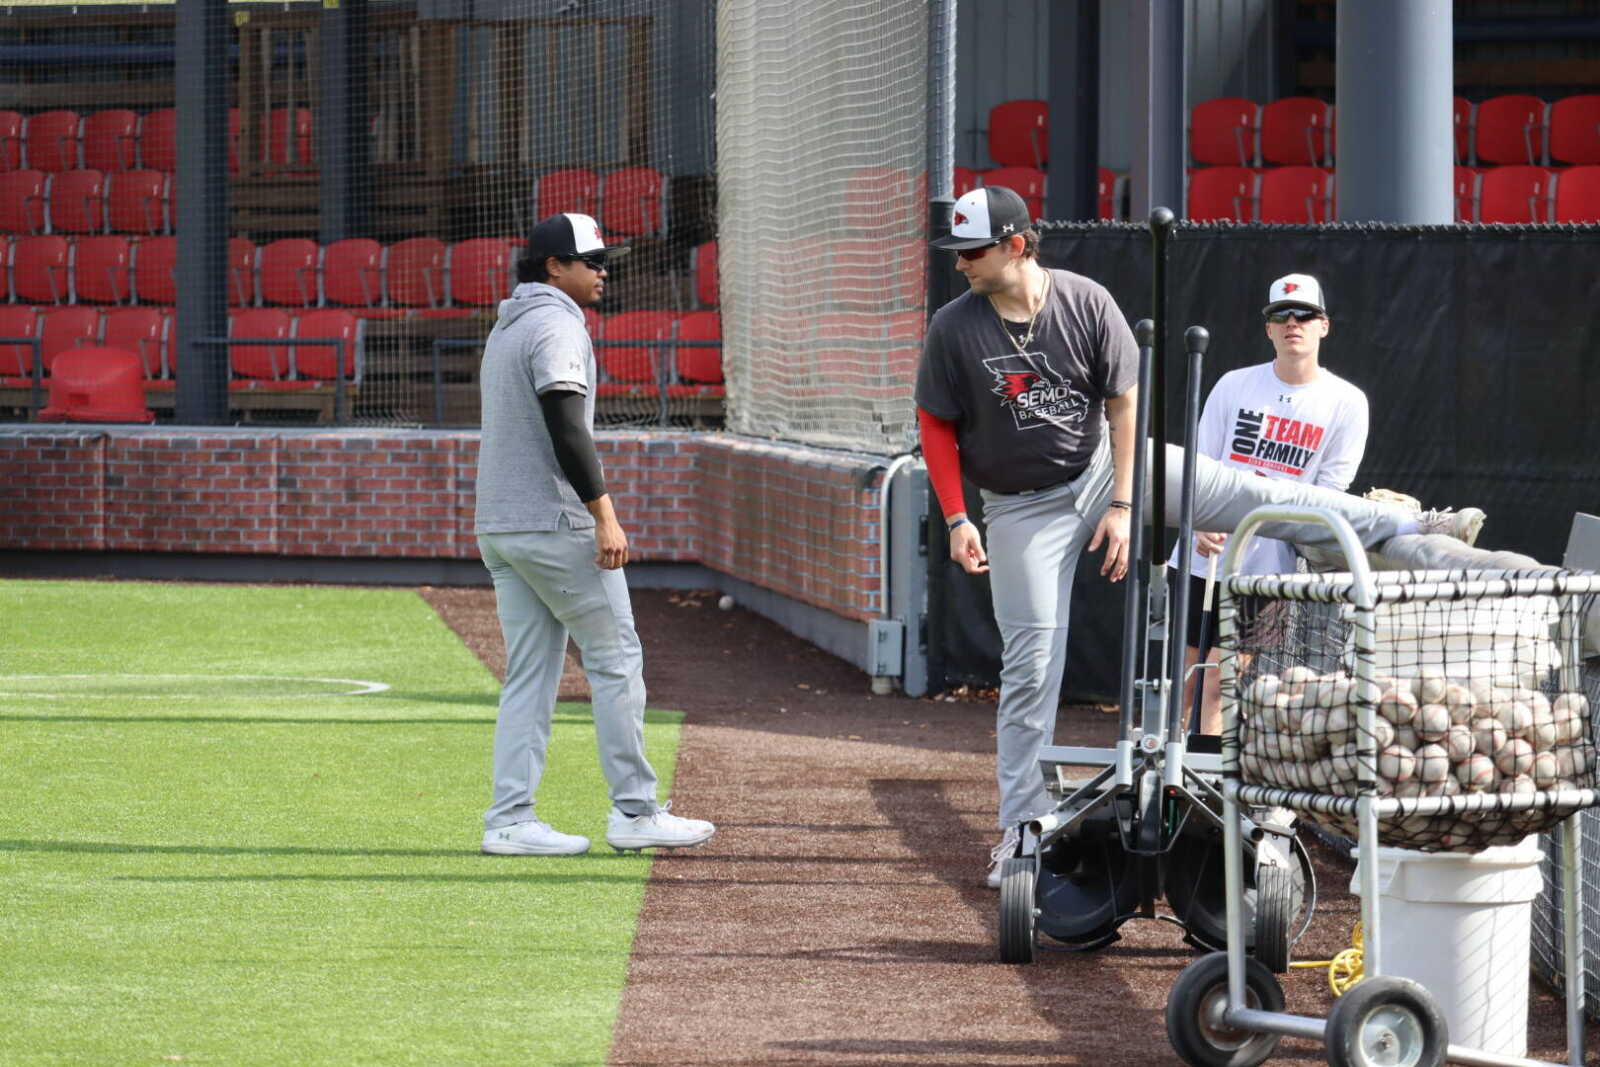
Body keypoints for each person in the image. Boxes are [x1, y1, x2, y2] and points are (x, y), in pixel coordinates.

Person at [913, 186, 1485, 888]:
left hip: (1106, 468)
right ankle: (1024, 827)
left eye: (973, 250)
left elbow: (1125, 405)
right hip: (1020, 504)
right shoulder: (954, 325)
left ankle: (1402, 521)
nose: (961, 262)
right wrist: (956, 514)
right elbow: (935, 422)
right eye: (958, 250)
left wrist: (1124, 502)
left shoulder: (1085, 301)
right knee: (1032, 664)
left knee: (1258, 493)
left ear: (1017, 245)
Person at [474, 211, 714, 857]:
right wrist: (603, 511)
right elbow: (566, 422)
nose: (604, 271)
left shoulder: (508, 325)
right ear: (555, 266)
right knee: (615, 659)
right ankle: (635, 811)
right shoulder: (554, 323)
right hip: (554, 523)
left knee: (530, 674)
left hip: (501, 526)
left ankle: (509, 819)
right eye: (593, 261)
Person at [1173, 273, 1370, 736]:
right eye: (1281, 315)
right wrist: (1202, 522)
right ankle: (1163, 782)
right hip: (1203, 558)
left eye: (1305, 315)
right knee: (1182, 681)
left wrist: (1261, 521)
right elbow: (1200, 467)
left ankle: (1208, 792)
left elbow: (1329, 494)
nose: (1292, 323)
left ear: (1324, 325)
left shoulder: (1347, 402)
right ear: (1268, 328)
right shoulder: (1233, 384)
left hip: (1263, 569)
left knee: (1221, 682)